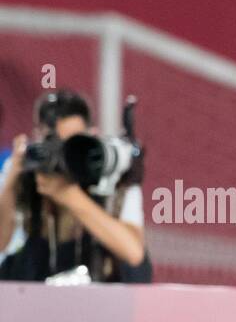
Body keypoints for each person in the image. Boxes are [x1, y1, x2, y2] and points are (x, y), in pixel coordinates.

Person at [0, 90, 151, 283]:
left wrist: (70, 196)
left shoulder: (112, 175)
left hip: (105, 298)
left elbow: (134, 254)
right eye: (55, 145)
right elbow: (1, 242)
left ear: (92, 136)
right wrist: (13, 177)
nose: (64, 155)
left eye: (74, 144)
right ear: (37, 137)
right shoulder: (30, 176)